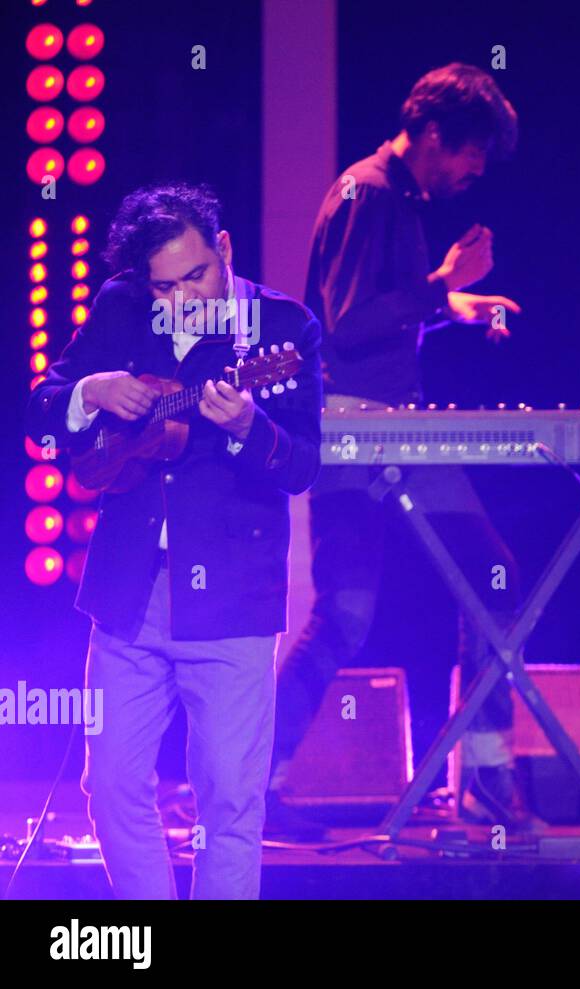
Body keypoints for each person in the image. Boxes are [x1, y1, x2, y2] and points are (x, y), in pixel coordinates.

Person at [24, 182, 323, 898]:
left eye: (197, 275)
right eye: (167, 286)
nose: (185, 296)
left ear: (223, 250)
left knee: (227, 800)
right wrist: (90, 389)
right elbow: (41, 405)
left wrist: (251, 427)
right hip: (130, 593)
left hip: (231, 597)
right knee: (112, 785)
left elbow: (304, 461)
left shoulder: (281, 329)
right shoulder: (121, 308)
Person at [268, 62, 535, 834]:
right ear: (432, 133)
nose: (476, 171)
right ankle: (256, 786)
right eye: (471, 153)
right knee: (350, 611)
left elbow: (382, 310)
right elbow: (345, 324)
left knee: (485, 580)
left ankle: (485, 784)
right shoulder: (369, 190)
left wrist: (452, 304)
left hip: (393, 423)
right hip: (358, 426)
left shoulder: (400, 197)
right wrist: (443, 280)